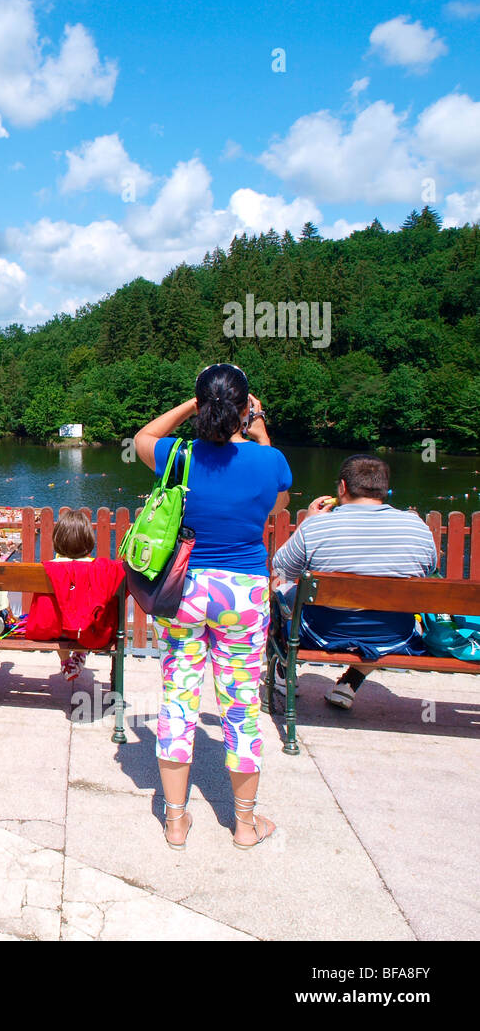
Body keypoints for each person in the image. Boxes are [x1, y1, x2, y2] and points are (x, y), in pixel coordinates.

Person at [134, 364, 291, 851]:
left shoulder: (177, 455)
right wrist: (258, 427)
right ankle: (244, 825)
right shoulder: (271, 462)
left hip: (186, 589)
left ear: (202, 406)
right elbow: (279, 505)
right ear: (245, 408)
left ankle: (176, 821)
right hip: (243, 593)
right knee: (240, 706)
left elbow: (144, 436)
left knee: (178, 700)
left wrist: (192, 405)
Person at [270, 455, 437, 710]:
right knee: (381, 613)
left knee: (280, 592)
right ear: (384, 488)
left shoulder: (318, 527)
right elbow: (428, 570)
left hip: (323, 633)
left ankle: (283, 673)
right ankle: (350, 683)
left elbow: (281, 569)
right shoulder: (417, 527)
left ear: (343, 488)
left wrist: (310, 523)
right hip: (394, 635)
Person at [23, 509, 125, 679]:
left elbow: (44, 608)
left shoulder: (48, 567)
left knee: (63, 617)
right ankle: (79, 652)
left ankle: (65, 661)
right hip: (86, 629)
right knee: (82, 612)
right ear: (88, 539)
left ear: (58, 539)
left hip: (56, 630)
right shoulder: (100, 568)